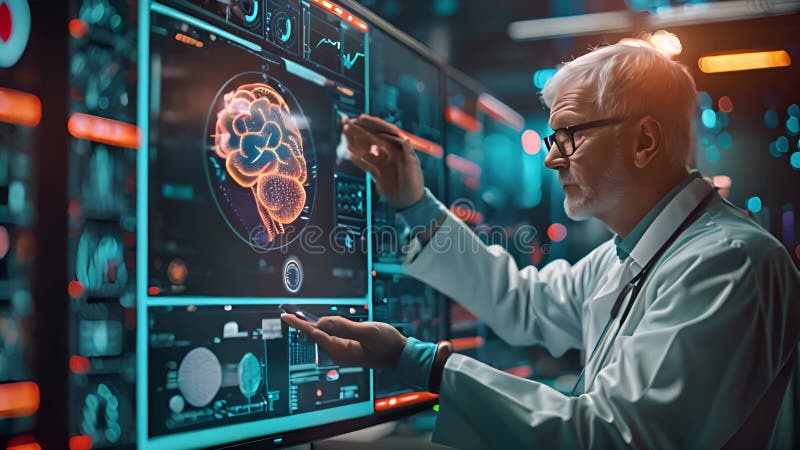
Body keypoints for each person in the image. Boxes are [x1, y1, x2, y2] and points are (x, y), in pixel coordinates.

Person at [281, 37, 800, 448]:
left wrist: (424, 364)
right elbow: (522, 303)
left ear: (645, 141)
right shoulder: (632, 254)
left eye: (569, 135)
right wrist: (416, 205)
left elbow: (614, 438)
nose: (552, 160)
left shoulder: (729, 264)